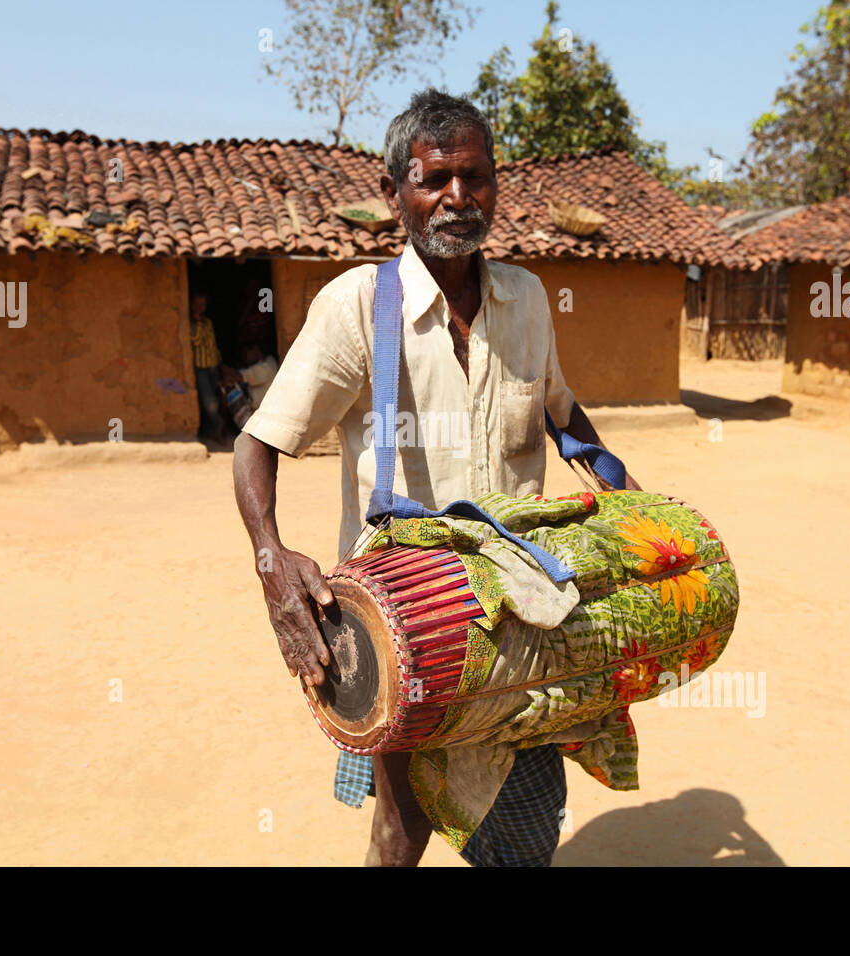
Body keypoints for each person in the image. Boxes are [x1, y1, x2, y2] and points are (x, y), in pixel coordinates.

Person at [232, 88, 639, 867]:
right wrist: (270, 558)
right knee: (403, 829)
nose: (458, 197)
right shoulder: (358, 307)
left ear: (495, 184)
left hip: (523, 616)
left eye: (476, 177)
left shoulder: (525, 299)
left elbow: (562, 415)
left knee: (524, 829)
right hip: (407, 624)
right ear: (395, 194)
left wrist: (621, 492)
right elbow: (259, 442)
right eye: (434, 178)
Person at [189, 290, 224, 442]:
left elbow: (213, 345)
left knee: (214, 400)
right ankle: (219, 426)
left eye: (202, 304)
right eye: (197, 304)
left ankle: (212, 430)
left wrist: (219, 363)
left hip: (212, 367)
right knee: (209, 403)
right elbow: (195, 340)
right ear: (191, 304)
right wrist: (197, 323)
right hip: (201, 368)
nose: (200, 307)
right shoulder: (191, 323)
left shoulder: (208, 322)